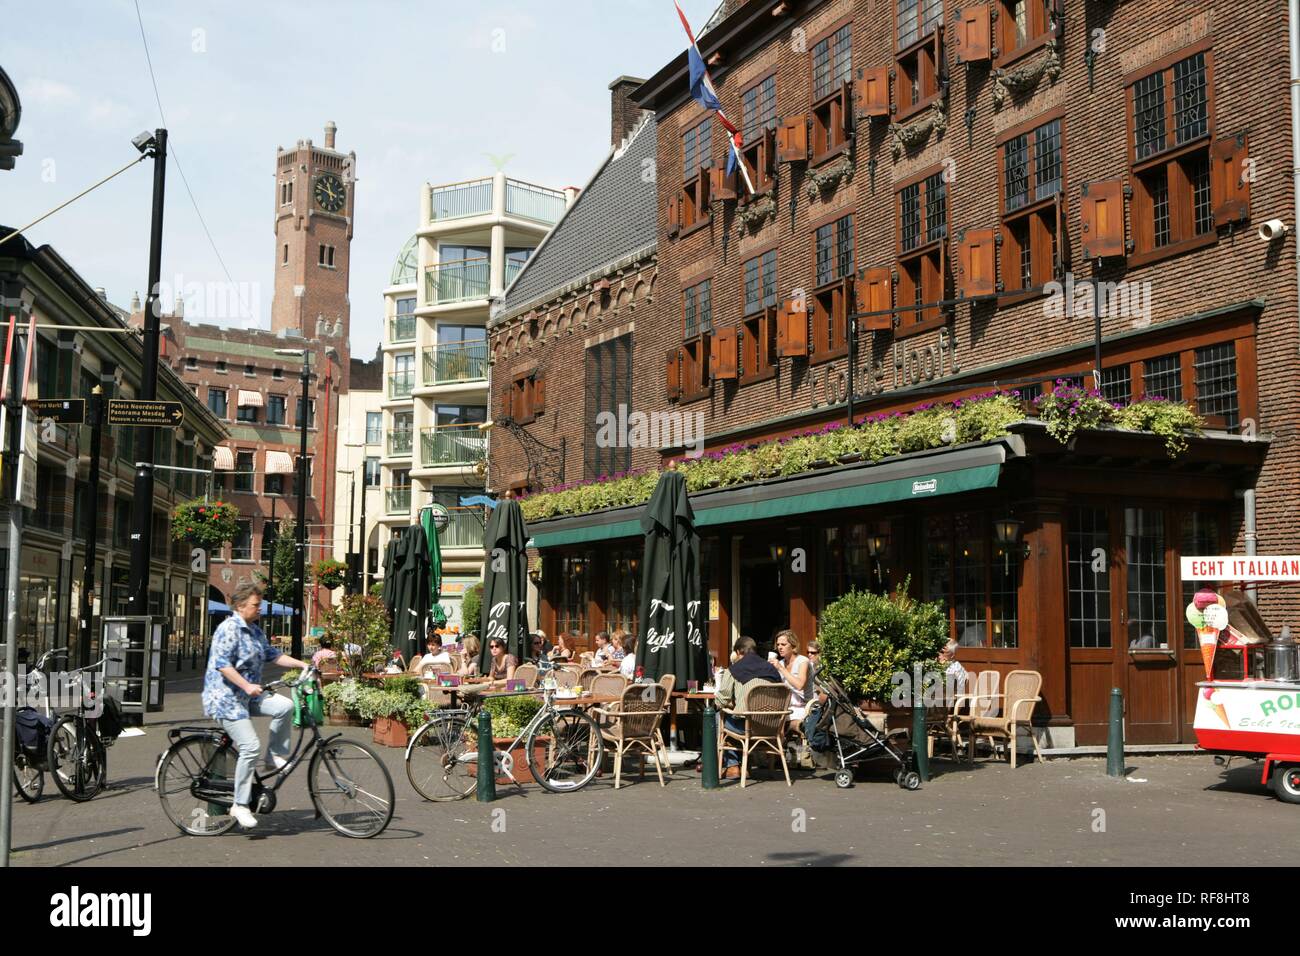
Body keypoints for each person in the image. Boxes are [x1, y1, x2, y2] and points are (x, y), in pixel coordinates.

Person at [202, 582, 309, 830]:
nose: (259, 608)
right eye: (256, 604)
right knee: (250, 746)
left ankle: (273, 755)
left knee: (284, 706)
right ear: (240, 606)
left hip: (247, 696)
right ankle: (239, 805)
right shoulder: (228, 629)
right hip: (225, 698)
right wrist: (247, 685)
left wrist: (302, 665)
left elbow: (273, 654)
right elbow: (222, 665)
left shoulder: (254, 630)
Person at [713, 636, 782, 780]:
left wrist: (722, 703)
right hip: (771, 726)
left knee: (719, 716)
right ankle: (746, 764)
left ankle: (732, 767)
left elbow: (722, 700)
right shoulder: (772, 669)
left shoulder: (734, 669)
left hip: (747, 727)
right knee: (742, 716)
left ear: (738, 652)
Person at [771, 629, 813, 727]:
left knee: (778, 721)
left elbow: (800, 685)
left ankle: (793, 728)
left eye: (783, 644)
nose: (780, 647)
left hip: (803, 706)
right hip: (785, 706)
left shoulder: (803, 661)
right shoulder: (780, 663)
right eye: (778, 644)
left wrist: (781, 669)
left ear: (793, 646)